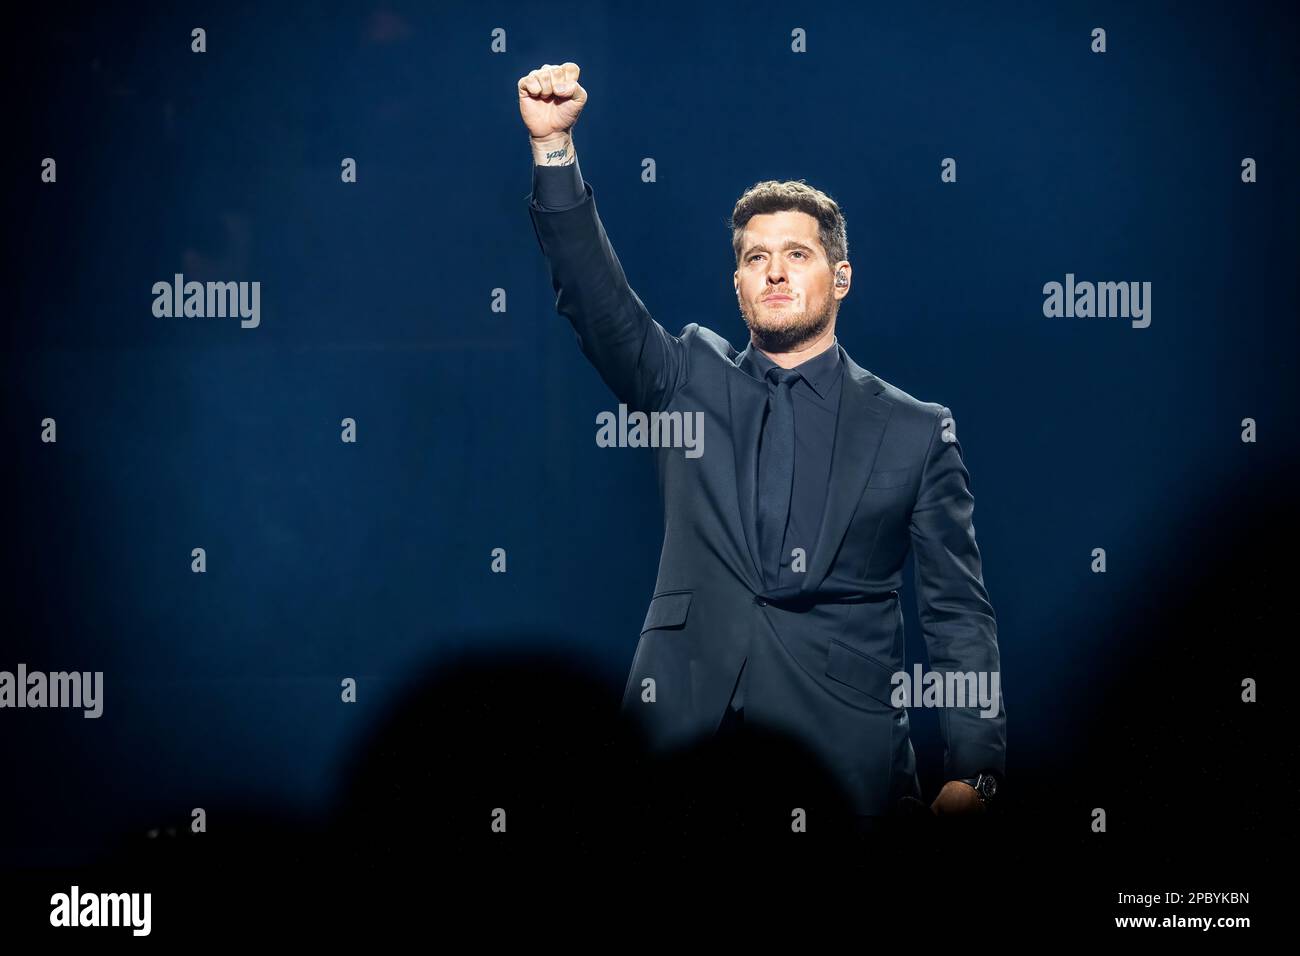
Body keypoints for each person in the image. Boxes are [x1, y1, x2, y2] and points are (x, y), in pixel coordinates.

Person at [519, 62, 1005, 819]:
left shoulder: (915, 428)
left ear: (841, 278)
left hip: (845, 756)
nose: (774, 272)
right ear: (737, 284)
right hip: (677, 740)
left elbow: (957, 612)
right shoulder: (685, 374)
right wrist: (554, 149)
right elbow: (594, 298)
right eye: (755, 258)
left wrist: (975, 774)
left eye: (798, 255)